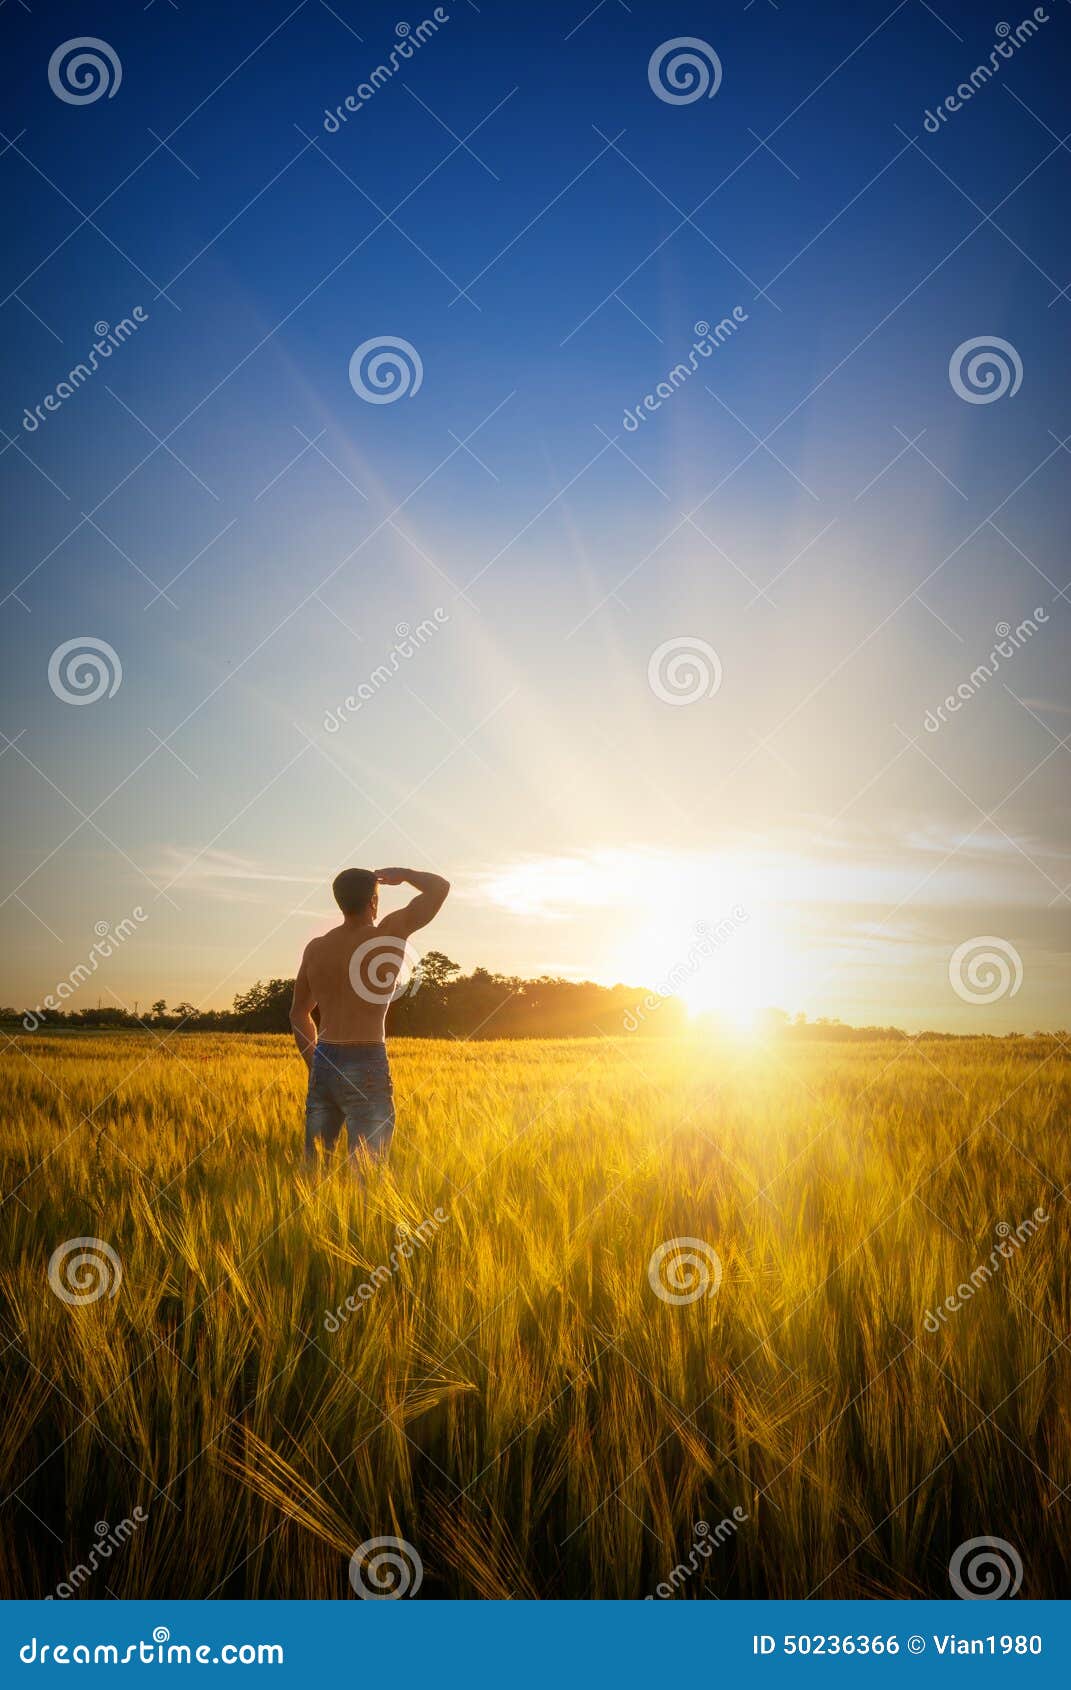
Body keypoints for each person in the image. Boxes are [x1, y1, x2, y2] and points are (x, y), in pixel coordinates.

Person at [290, 866, 450, 1164]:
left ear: (339, 901)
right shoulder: (388, 934)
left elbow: (299, 1013)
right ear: (373, 902)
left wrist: (315, 1064)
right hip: (367, 1062)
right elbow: (439, 887)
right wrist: (403, 874)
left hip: (324, 1061)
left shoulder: (316, 949)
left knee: (314, 1172)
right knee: (368, 1173)